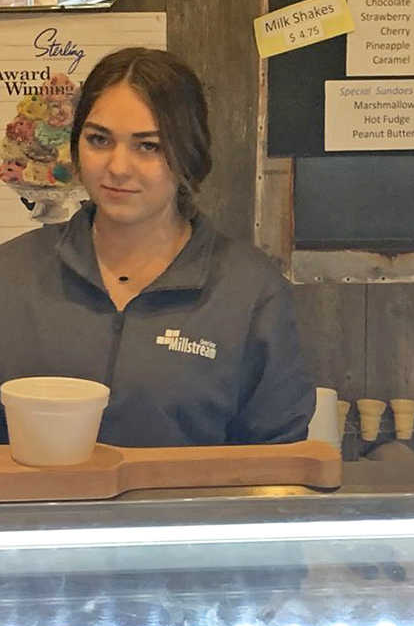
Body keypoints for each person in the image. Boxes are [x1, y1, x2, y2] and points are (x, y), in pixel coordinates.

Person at [0, 48, 315, 446]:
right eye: (99, 140)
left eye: (147, 146)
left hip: (195, 509)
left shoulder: (249, 291)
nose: (117, 167)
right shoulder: (11, 275)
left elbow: (277, 462)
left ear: (188, 152)